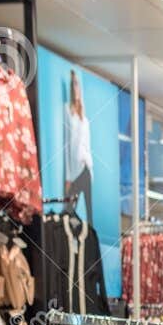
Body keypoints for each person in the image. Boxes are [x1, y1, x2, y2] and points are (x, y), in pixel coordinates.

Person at [63, 69, 93, 222]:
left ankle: (89, 239)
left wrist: (89, 165)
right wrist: (68, 176)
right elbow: (68, 145)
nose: (76, 88)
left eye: (77, 85)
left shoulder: (85, 120)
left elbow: (86, 145)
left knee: (88, 208)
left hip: (85, 167)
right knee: (69, 209)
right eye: (73, 84)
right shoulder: (68, 112)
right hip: (75, 170)